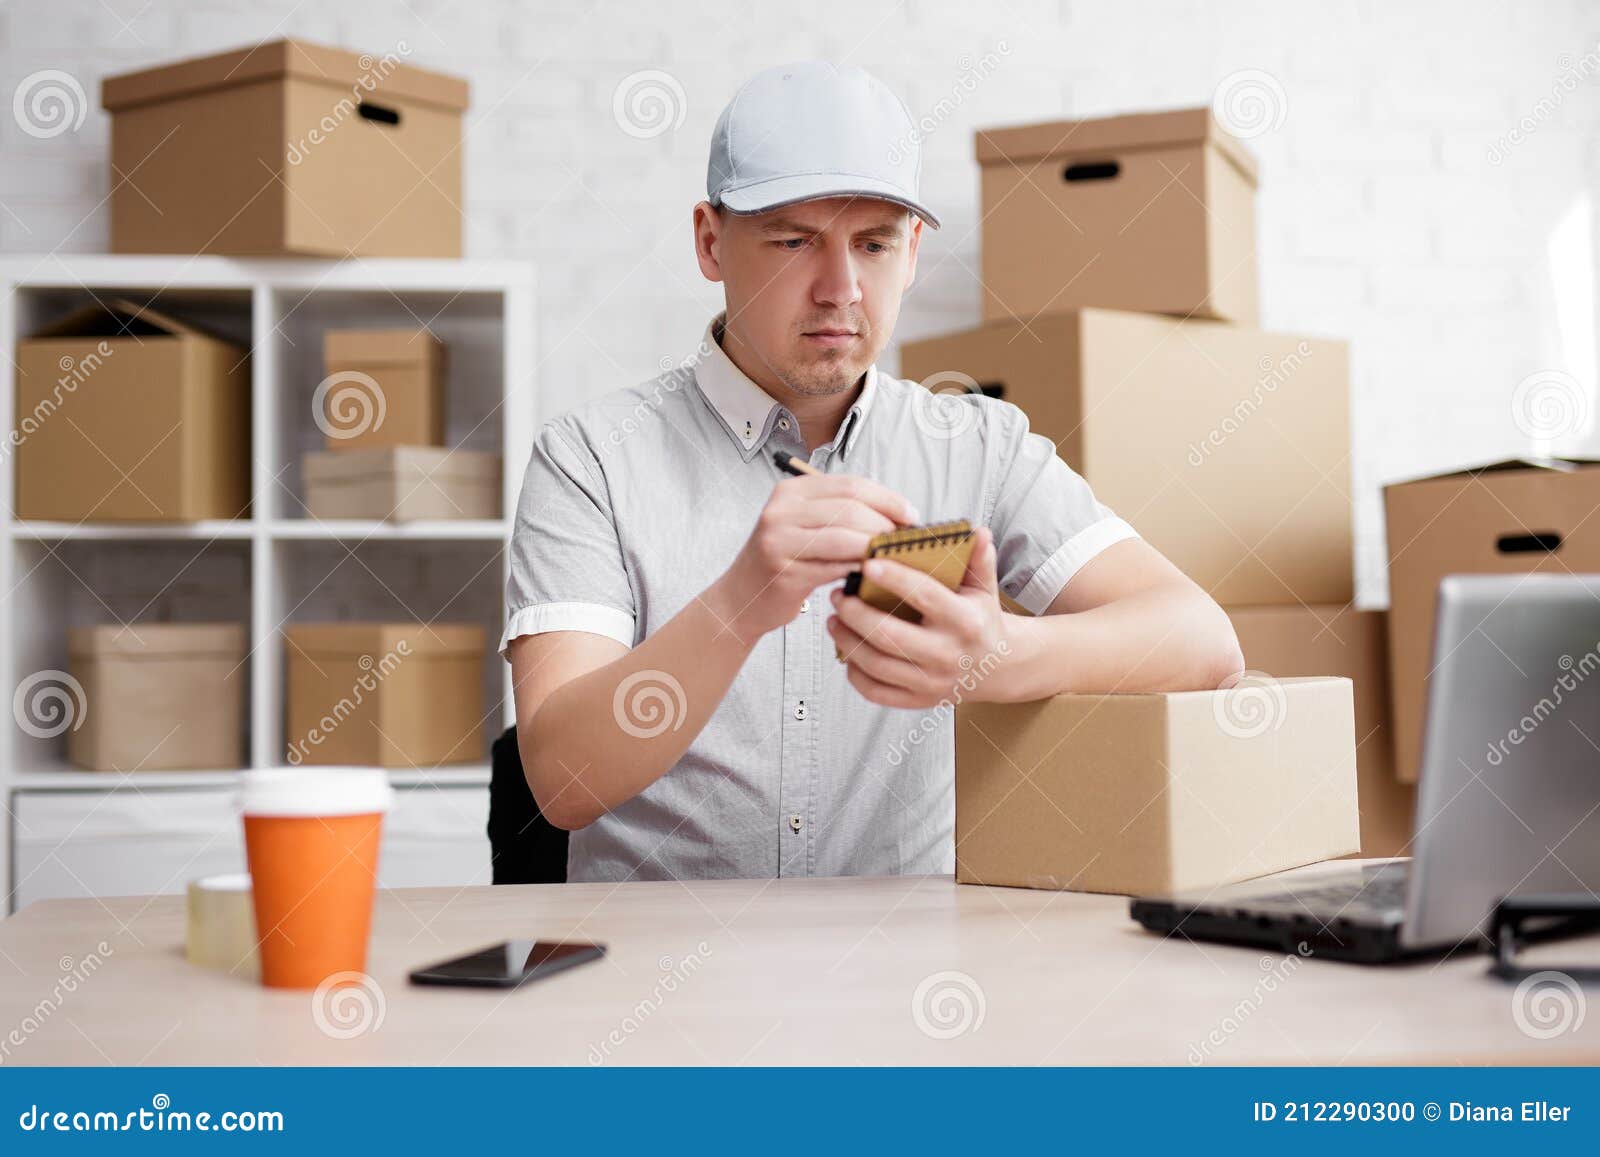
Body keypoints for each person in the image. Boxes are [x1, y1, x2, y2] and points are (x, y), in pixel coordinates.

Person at [502, 61, 1243, 884]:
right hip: (656, 986)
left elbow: (1204, 641)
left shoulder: (980, 447)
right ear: (712, 242)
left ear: (915, 251)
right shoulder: (591, 457)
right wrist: (739, 603)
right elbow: (560, 781)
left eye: (874, 243)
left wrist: (999, 653)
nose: (841, 289)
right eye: (793, 240)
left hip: (911, 980)